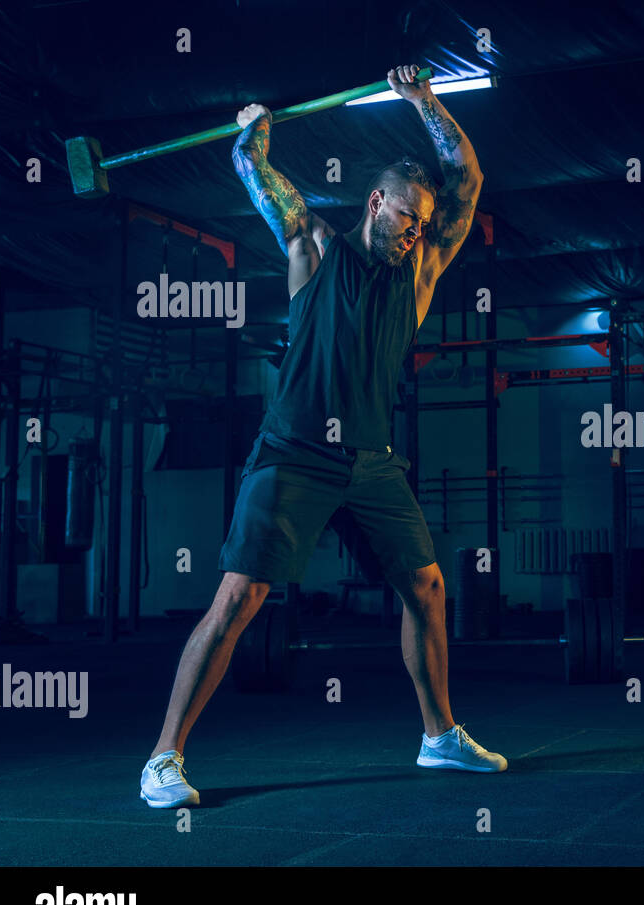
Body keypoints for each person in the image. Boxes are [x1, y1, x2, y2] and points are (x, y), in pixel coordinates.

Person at [140, 64, 505, 810]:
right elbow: (252, 168)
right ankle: (162, 759)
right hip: (294, 453)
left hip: (371, 460)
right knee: (240, 596)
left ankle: (438, 736)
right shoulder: (313, 246)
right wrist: (255, 129)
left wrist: (423, 100)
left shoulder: (422, 271)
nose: (414, 233)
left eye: (421, 225)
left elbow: (467, 182)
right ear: (376, 203)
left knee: (428, 587)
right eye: (406, 218)